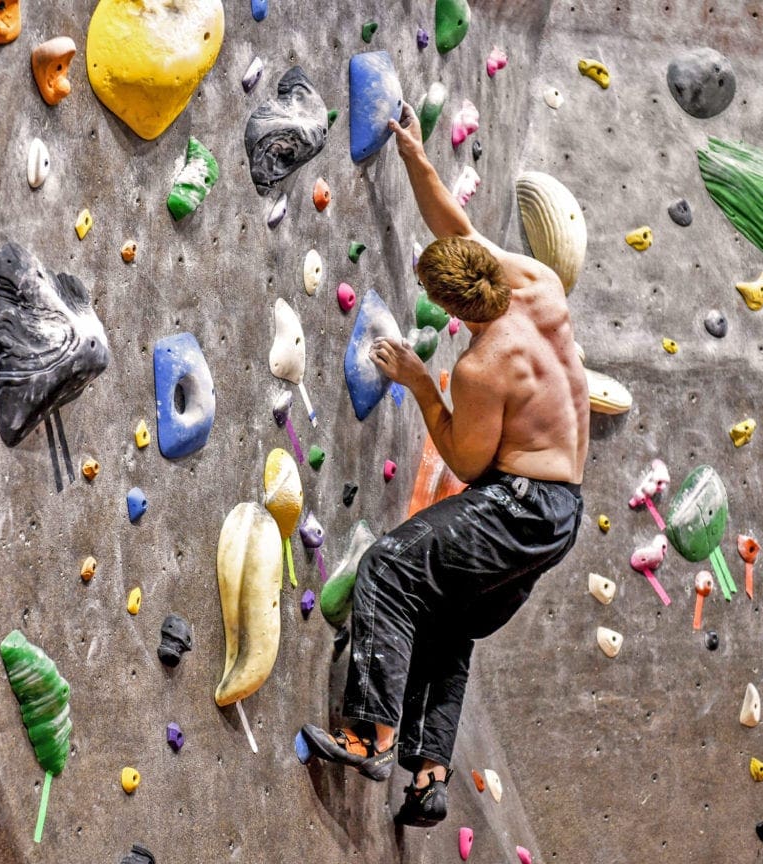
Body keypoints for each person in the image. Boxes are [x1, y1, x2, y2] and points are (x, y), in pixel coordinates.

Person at [299, 103, 589, 827]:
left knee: (392, 570)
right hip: (562, 511)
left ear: (454, 308)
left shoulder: (484, 368)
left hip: (520, 506)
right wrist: (413, 156)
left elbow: (465, 459)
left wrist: (421, 381)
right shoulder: (533, 282)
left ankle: (370, 735)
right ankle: (428, 777)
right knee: (451, 614)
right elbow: (451, 227)